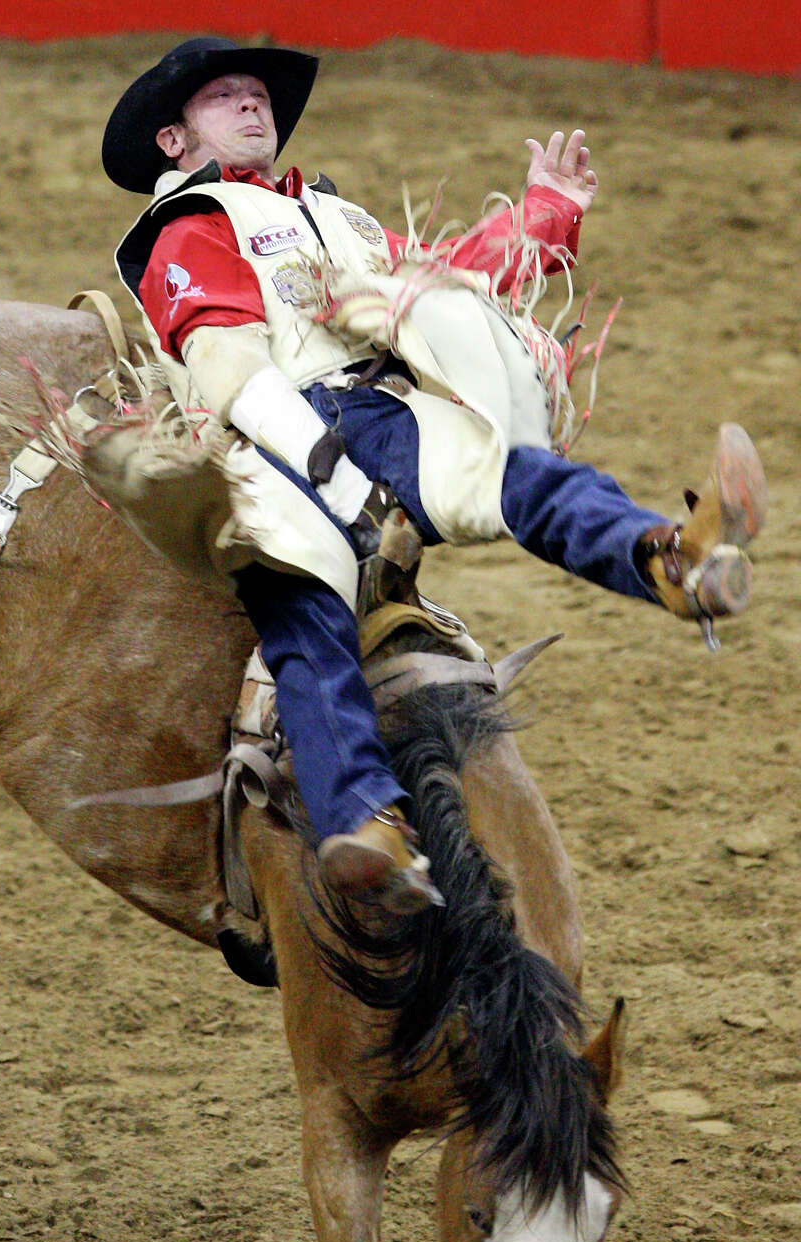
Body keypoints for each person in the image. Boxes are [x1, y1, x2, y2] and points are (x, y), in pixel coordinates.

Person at [101, 37, 767, 915]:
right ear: (173, 140)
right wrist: (318, 460)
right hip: (269, 443)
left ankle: (669, 560)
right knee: (303, 599)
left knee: (518, 473)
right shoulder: (190, 225)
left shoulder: (334, 215)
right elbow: (226, 363)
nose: (253, 103)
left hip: (381, 417)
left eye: (257, 93)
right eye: (225, 96)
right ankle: (362, 824)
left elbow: (443, 283)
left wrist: (543, 217)